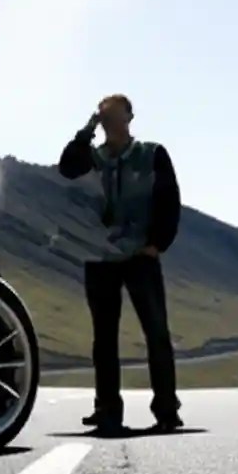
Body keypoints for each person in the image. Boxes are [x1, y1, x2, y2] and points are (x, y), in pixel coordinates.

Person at [57, 93, 184, 432]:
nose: (111, 123)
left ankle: (167, 409)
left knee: (156, 331)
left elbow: (169, 196)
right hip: (99, 256)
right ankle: (108, 410)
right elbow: (67, 167)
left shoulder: (151, 154)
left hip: (140, 254)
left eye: (116, 116)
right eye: (104, 118)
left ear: (130, 117)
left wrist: (159, 243)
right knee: (104, 337)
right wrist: (87, 130)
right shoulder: (93, 158)